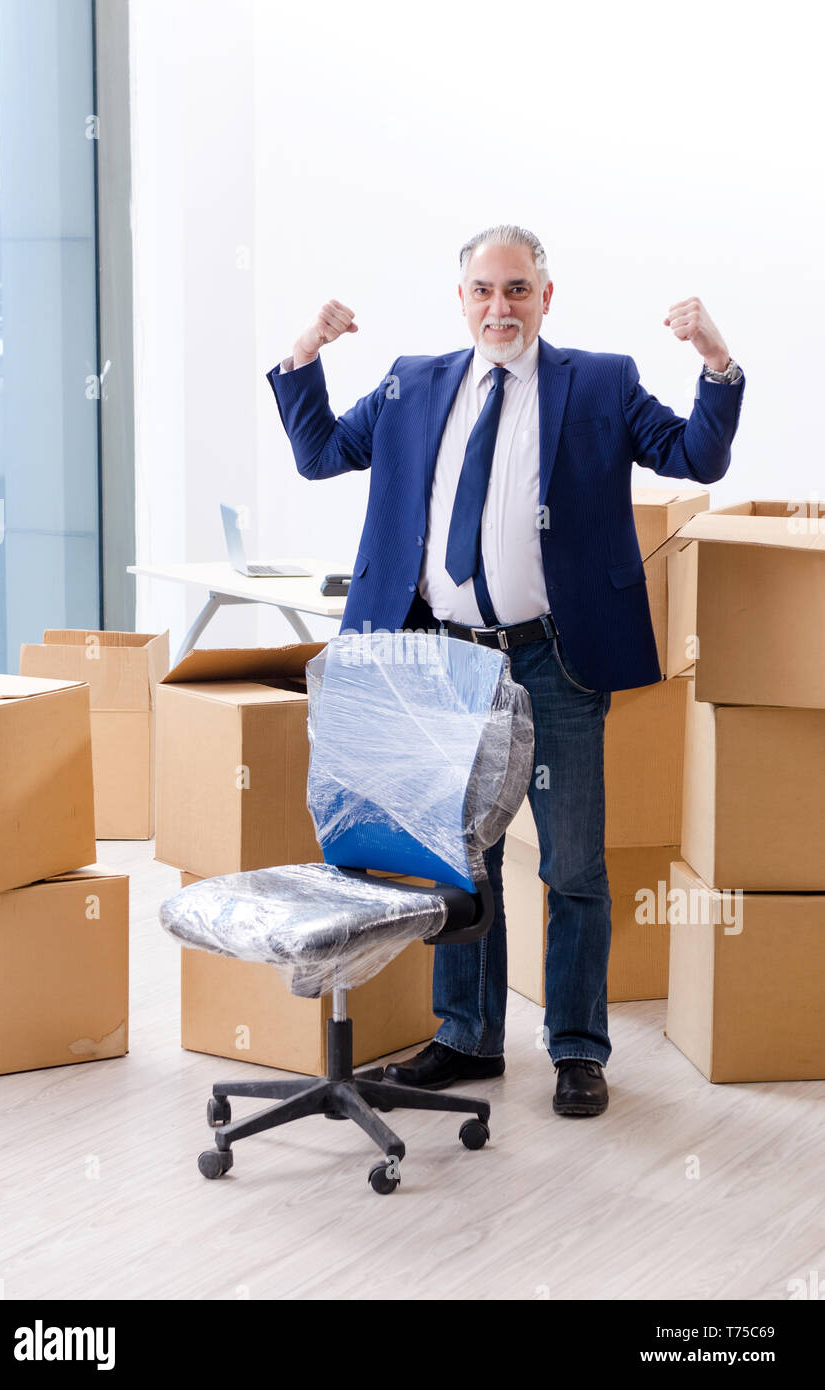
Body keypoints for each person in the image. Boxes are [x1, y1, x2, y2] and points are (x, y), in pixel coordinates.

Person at [267, 224, 744, 1117]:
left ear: (545, 297)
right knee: (459, 861)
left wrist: (714, 360)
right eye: (484, 291)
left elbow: (694, 457)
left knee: (571, 867)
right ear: (461, 300)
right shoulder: (413, 382)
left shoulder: (599, 381)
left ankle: (575, 1049)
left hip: (552, 660)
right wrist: (304, 353)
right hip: (443, 663)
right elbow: (320, 454)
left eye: (517, 290)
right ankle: (464, 1037)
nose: (500, 307)